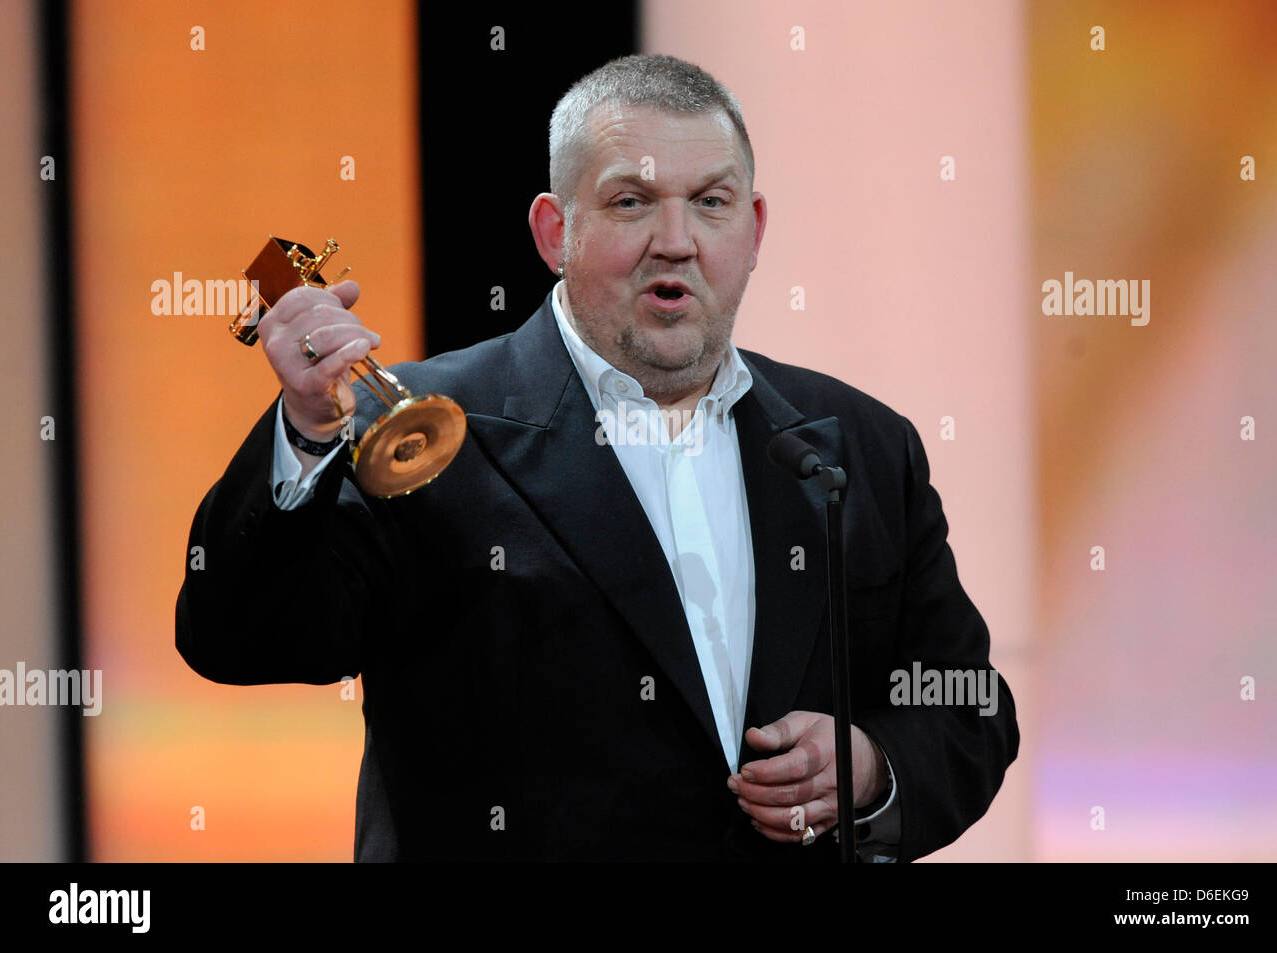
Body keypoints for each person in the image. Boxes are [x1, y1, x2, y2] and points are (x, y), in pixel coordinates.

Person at [176, 53, 1018, 862]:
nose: (677, 240)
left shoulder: (860, 442)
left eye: (712, 202)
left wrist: (870, 764)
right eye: (631, 202)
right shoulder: (418, 428)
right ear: (555, 232)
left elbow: (968, 711)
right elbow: (240, 640)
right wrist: (308, 430)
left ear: (754, 230)